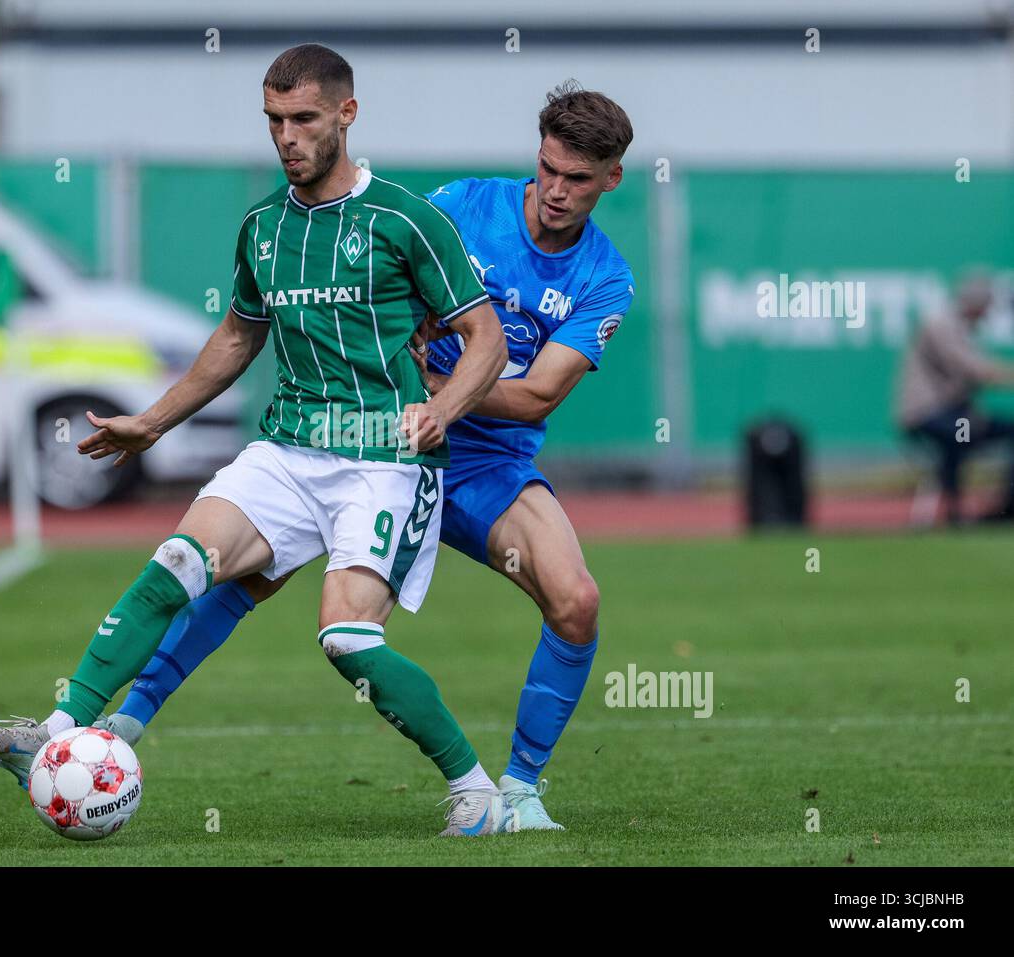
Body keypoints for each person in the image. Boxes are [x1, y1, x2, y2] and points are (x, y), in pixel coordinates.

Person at [0, 43, 514, 837]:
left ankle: (477, 791)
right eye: (274, 121)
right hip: (288, 450)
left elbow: (485, 339)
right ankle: (60, 725)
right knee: (179, 561)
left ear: (346, 116)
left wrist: (443, 409)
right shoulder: (261, 227)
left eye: (304, 119)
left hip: (385, 460)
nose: (287, 137)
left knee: (346, 639)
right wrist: (154, 419)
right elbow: (237, 335)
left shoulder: (406, 219)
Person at [108, 82, 636, 832]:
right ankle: (114, 735)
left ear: (611, 178)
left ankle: (516, 789)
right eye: (548, 168)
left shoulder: (605, 277)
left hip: (485, 465)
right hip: (375, 439)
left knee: (577, 601)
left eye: (578, 179)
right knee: (238, 573)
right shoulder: (458, 206)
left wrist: (438, 385)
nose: (556, 190)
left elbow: (536, 396)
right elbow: (381, 289)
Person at [896, 274, 1014, 523]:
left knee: (972, 432)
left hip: (954, 414)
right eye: (986, 306)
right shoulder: (941, 325)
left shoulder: (962, 329)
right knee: (959, 436)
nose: (988, 313)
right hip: (926, 414)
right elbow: (972, 369)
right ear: (975, 304)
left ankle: (1005, 506)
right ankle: (955, 511)